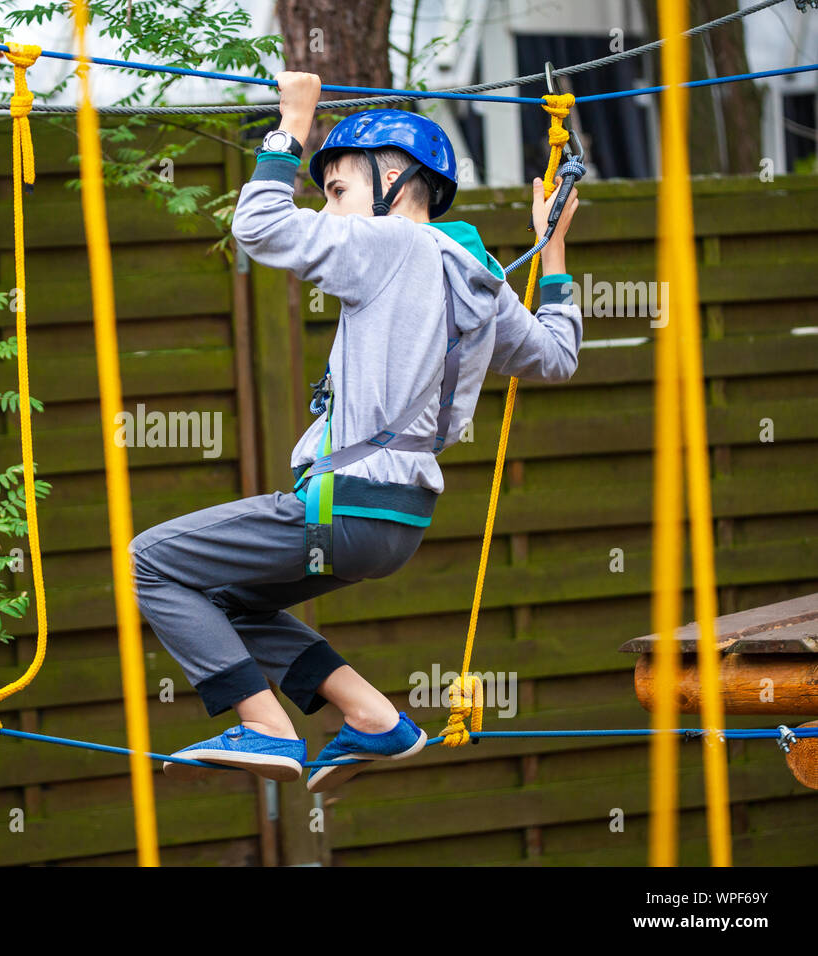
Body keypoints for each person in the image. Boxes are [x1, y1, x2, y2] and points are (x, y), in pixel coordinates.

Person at [129, 71, 582, 792]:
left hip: (347, 504)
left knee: (152, 561)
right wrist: (552, 249)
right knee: (231, 601)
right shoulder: (482, 276)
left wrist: (293, 124)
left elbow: (259, 226)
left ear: (396, 183)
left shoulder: (391, 244)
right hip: (395, 525)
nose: (332, 210)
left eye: (338, 191)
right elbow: (557, 357)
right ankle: (373, 718)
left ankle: (269, 728)